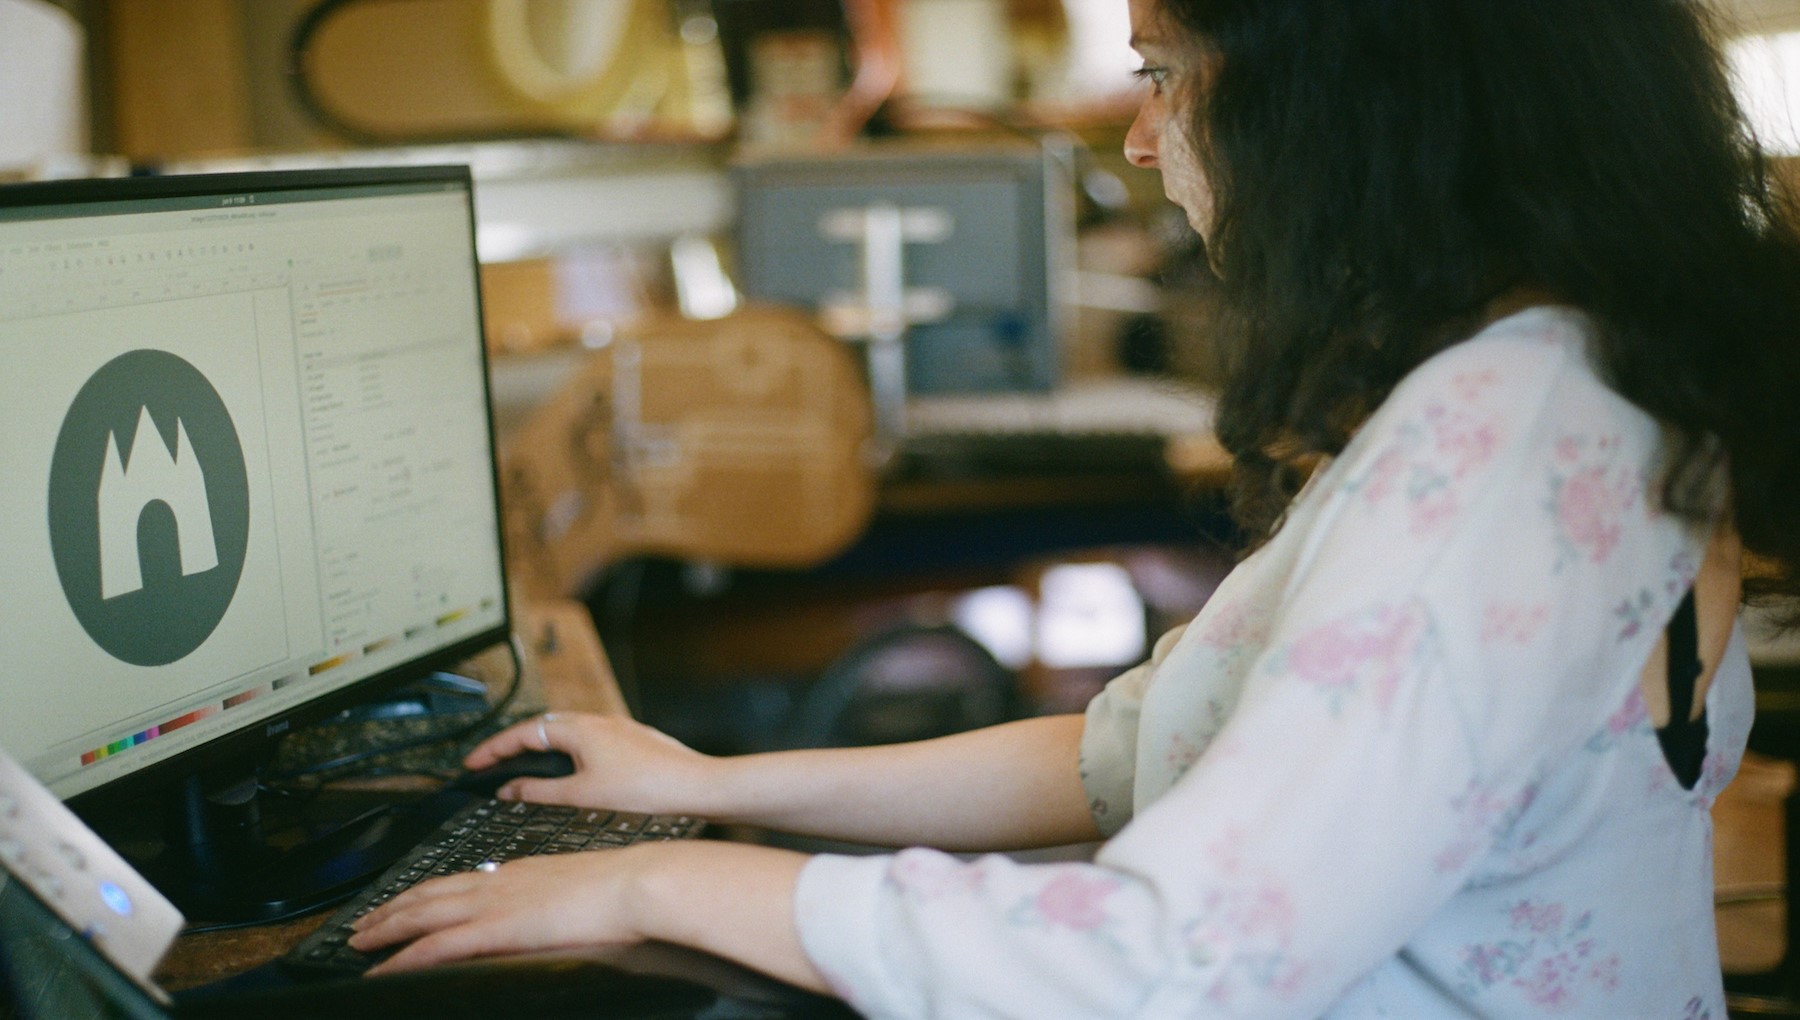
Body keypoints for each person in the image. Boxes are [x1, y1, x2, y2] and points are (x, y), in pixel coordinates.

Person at [350, 0, 1800, 1014]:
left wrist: (656, 891)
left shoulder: (1490, 458)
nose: (1139, 140)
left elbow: (1168, 967)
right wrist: (715, 791)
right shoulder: (1583, 371)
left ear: (1346, 102)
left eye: (1163, 73)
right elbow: (1128, 755)